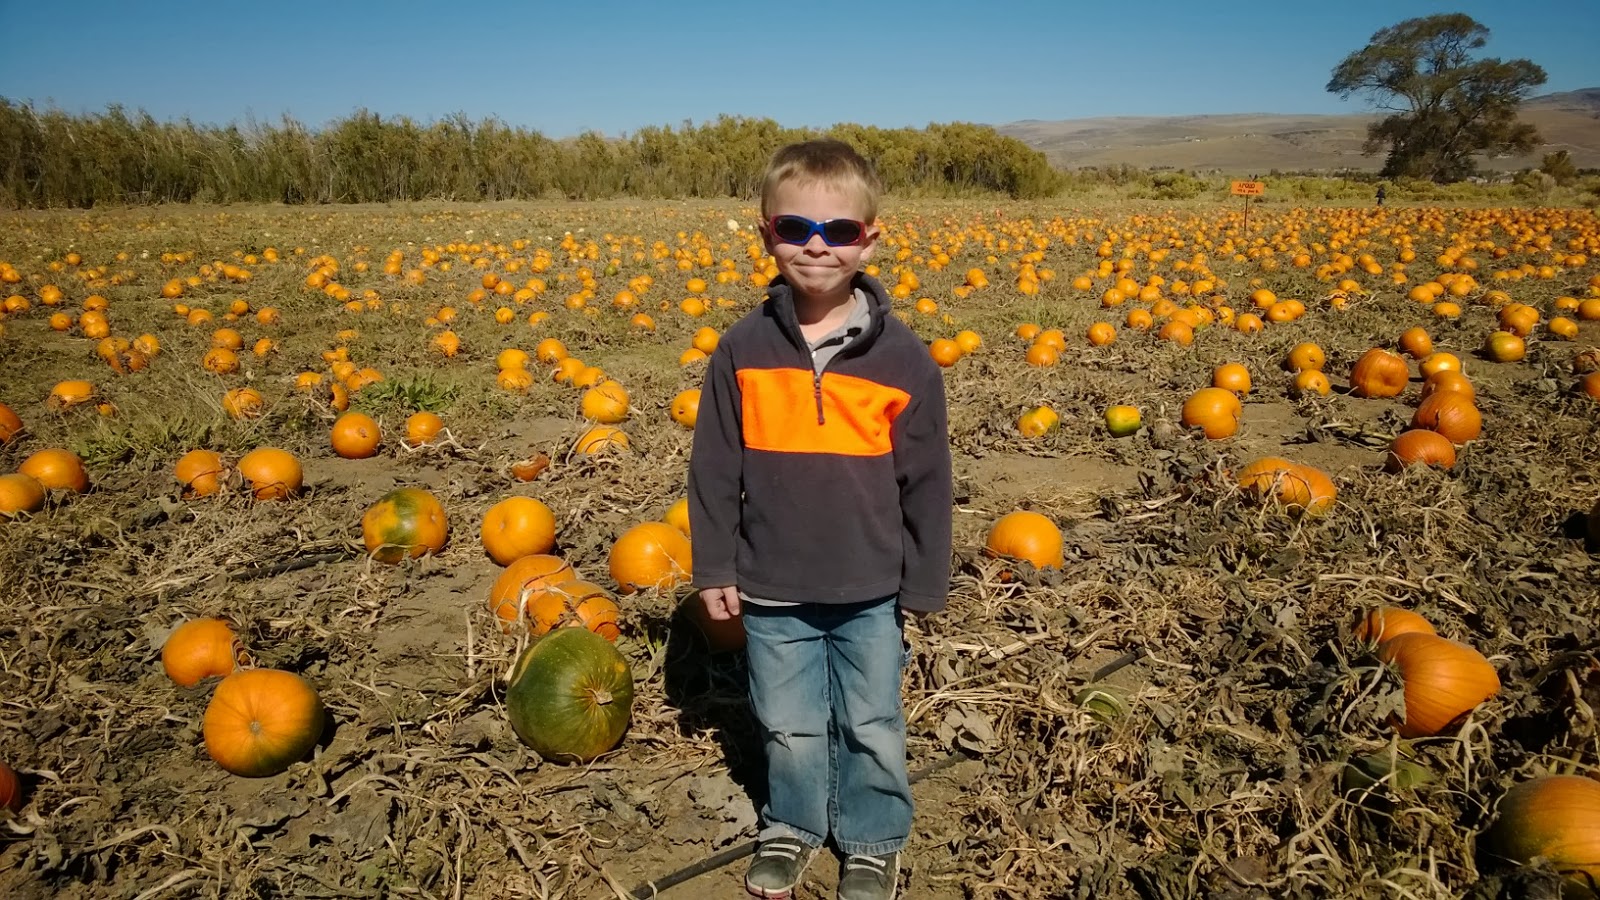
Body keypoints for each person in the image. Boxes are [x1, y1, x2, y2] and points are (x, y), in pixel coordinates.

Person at [687, 139, 953, 900]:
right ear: (764, 232)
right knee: (788, 722)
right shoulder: (741, 349)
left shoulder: (904, 361)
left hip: (871, 586)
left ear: (870, 237)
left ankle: (873, 840)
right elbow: (714, 468)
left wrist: (923, 580)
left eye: (837, 231)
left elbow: (929, 481)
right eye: (793, 227)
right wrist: (714, 567)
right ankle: (795, 824)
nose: (815, 245)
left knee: (871, 721)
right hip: (772, 588)